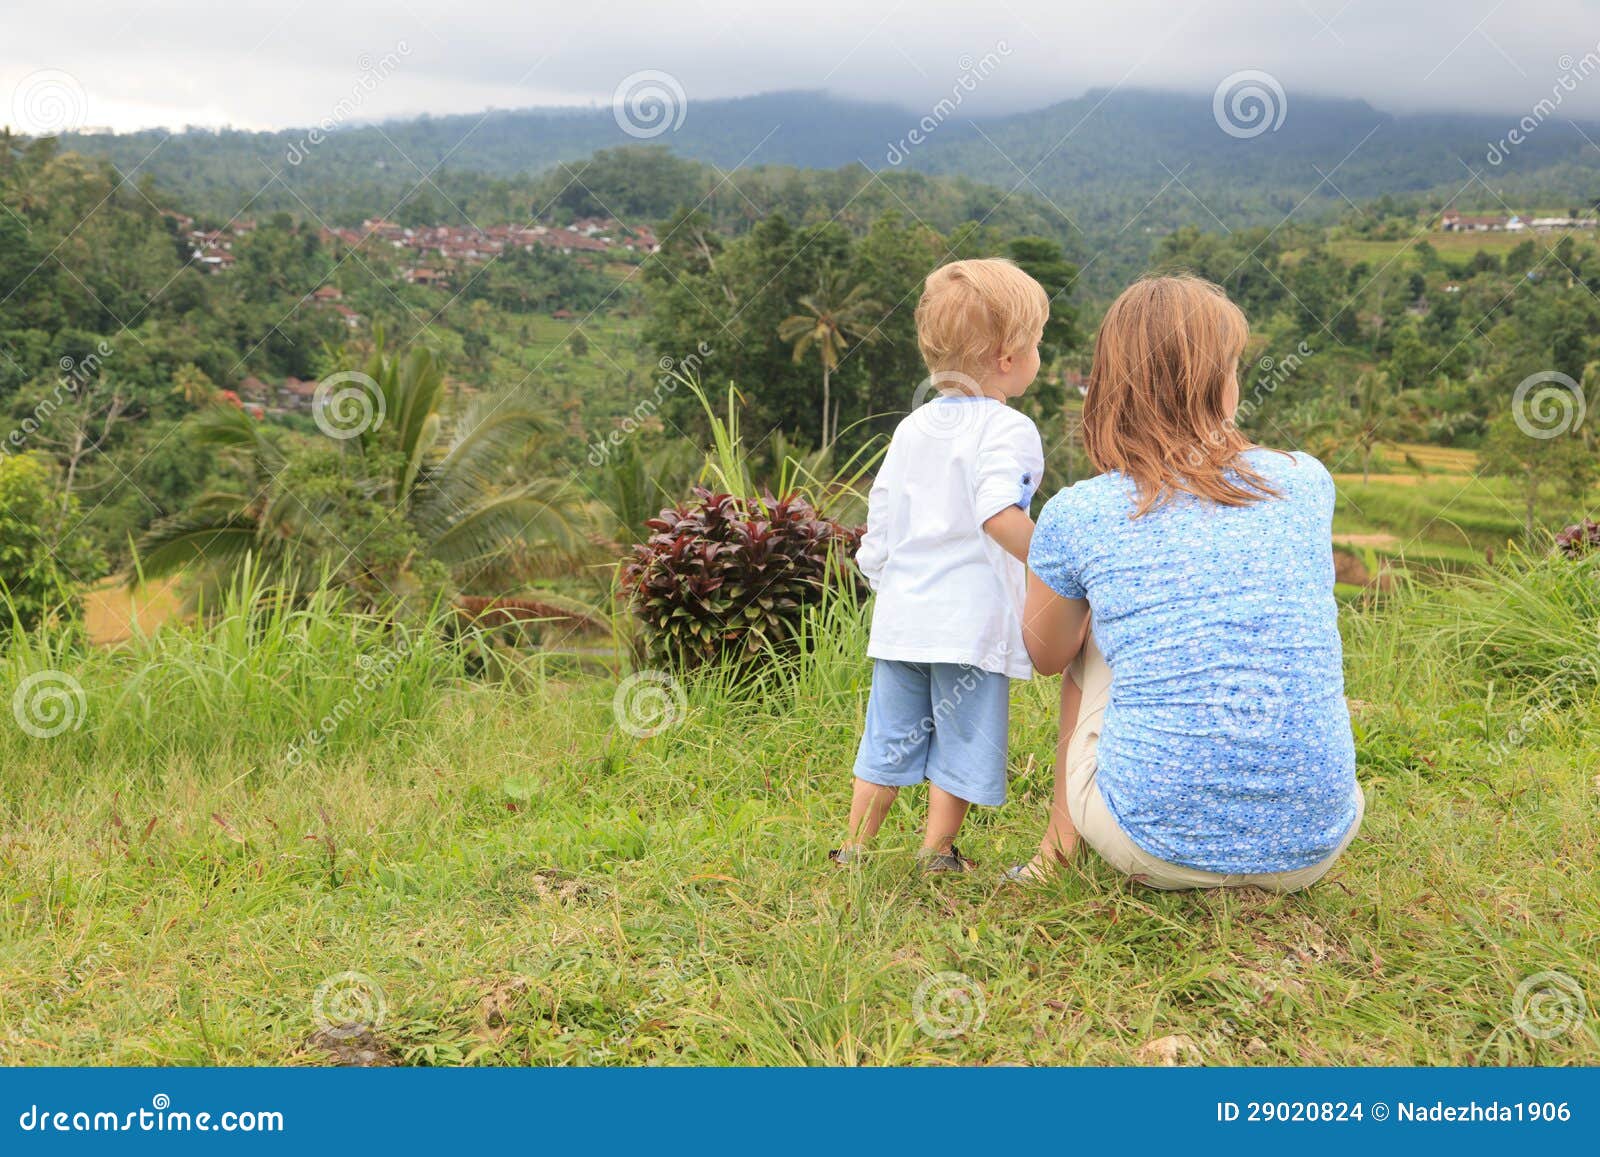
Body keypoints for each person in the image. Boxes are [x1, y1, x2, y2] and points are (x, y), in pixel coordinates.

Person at [1012, 274, 1363, 889]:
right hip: (1317, 846)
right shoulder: (1306, 480)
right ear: (1219, 386)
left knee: (1087, 638)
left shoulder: (1079, 513)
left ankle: (1055, 853)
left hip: (1150, 849)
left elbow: (1046, 657)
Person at [834, 258, 1048, 873]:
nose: (1040, 355)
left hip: (903, 617)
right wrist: (1058, 564)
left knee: (888, 735)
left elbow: (881, 519)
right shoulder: (1009, 428)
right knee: (961, 735)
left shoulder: (912, 426)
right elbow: (997, 513)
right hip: (969, 622)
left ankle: (855, 847)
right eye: (1035, 344)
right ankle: (936, 852)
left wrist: (892, 583)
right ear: (1008, 358)